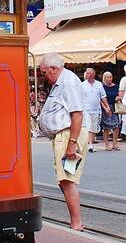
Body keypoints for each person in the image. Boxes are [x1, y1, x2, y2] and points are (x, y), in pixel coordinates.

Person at [36, 53, 88, 231]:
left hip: (68, 136)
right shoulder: (60, 82)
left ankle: (76, 222)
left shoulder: (68, 82)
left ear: (54, 68)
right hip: (64, 137)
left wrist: (72, 144)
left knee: (67, 179)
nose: (44, 76)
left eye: (44, 72)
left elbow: (77, 113)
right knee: (64, 179)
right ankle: (76, 221)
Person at [80, 67, 105, 153]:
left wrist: (107, 107)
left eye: (88, 73)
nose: (86, 75)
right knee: (89, 126)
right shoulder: (82, 85)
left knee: (95, 128)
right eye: (86, 73)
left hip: (97, 109)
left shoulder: (99, 84)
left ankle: (90, 142)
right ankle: (90, 144)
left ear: (93, 75)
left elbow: (103, 96)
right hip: (86, 109)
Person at [100, 70, 121, 151]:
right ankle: (107, 145)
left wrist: (118, 98)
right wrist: (105, 107)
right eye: (108, 77)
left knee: (116, 126)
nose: (110, 79)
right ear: (104, 78)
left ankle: (115, 143)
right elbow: (100, 98)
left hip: (114, 107)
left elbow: (119, 94)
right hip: (106, 107)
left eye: (111, 77)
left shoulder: (116, 86)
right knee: (106, 127)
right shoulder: (102, 87)